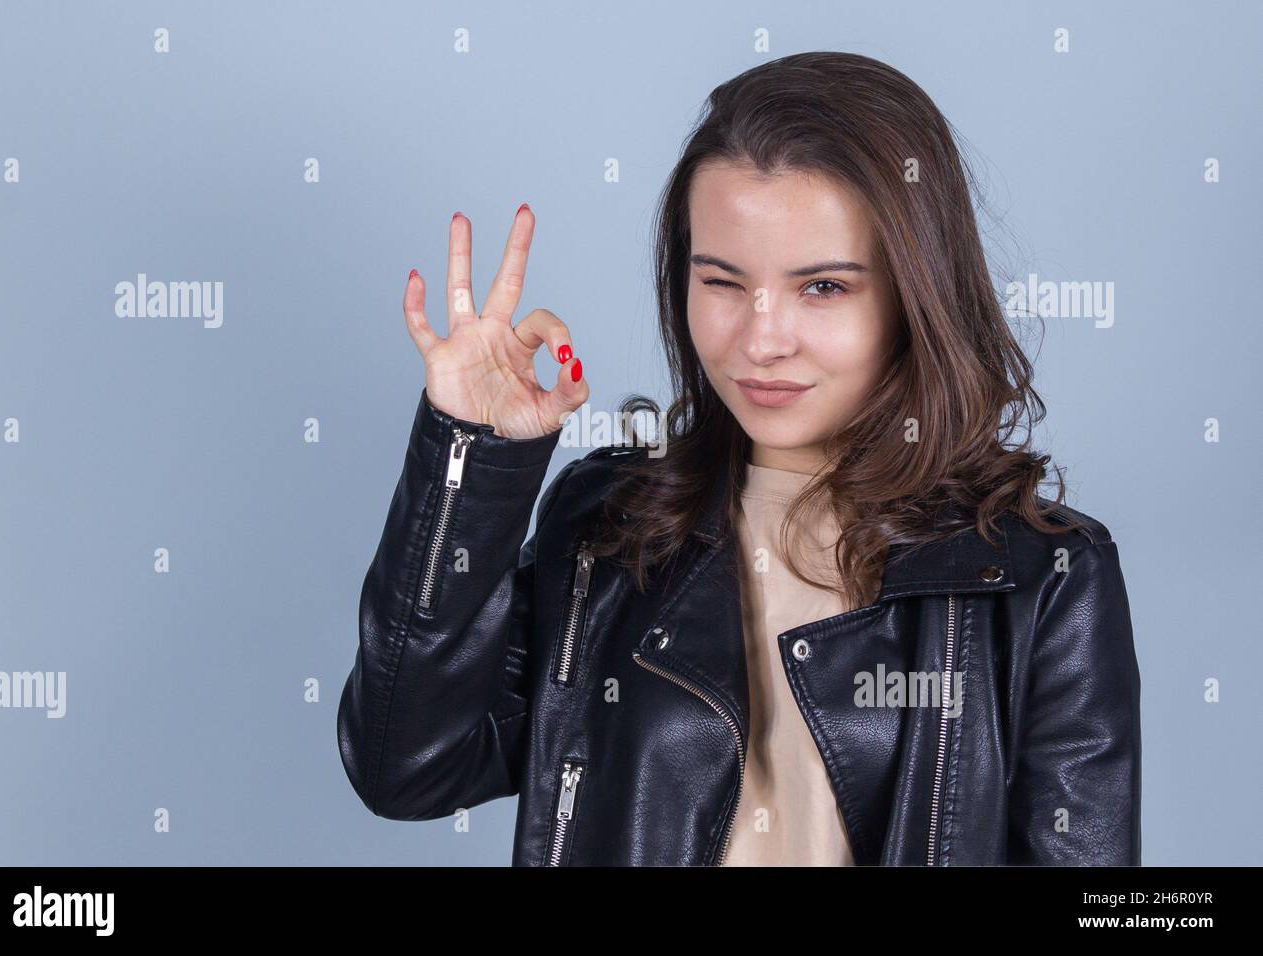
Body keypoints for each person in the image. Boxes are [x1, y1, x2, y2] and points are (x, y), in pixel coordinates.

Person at [337, 51, 1140, 866]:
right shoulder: (610, 529)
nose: (761, 340)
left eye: (822, 287)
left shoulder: (1040, 576)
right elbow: (406, 769)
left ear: (915, 292)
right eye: (722, 282)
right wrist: (473, 460)